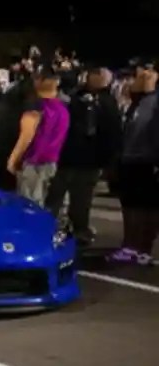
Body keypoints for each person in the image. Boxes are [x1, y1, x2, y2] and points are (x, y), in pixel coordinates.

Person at [45, 66, 121, 243]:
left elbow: (112, 132)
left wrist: (108, 160)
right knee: (55, 197)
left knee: (81, 200)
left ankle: (79, 230)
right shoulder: (73, 96)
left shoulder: (106, 102)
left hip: (89, 160)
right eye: (93, 74)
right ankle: (48, 228)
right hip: (66, 157)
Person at [109, 59, 159, 264]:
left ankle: (138, 247)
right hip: (131, 160)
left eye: (142, 76)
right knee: (134, 206)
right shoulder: (138, 101)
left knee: (142, 207)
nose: (134, 81)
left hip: (146, 161)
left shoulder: (154, 102)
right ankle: (135, 246)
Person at [7, 64, 70, 205]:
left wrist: (13, 159)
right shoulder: (63, 108)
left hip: (32, 161)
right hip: (51, 161)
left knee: (29, 204)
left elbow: (26, 135)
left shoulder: (36, 106)